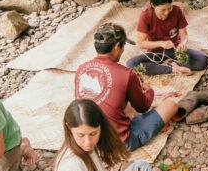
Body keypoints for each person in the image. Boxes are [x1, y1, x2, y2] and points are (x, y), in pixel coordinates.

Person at [76, 22, 178, 151]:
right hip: (120, 142)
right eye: (123, 45)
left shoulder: (81, 70)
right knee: (171, 106)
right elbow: (142, 107)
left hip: (90, 140)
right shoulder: (126, 74)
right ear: (117, 46)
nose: (123, 50)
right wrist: (149, 90)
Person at [127, 0, 208, 75]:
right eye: (163, 10)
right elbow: (140, 43)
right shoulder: (146, 15)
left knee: (203, 60)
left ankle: (169, 63)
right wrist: (161, 43)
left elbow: (184, 35)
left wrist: (183, 43)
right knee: (132, 64)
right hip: (156, 52)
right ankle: (171, 69)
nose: (167, 12)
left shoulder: (177, 11)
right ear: (153, 5)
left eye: (169, 8)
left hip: (175, 50)